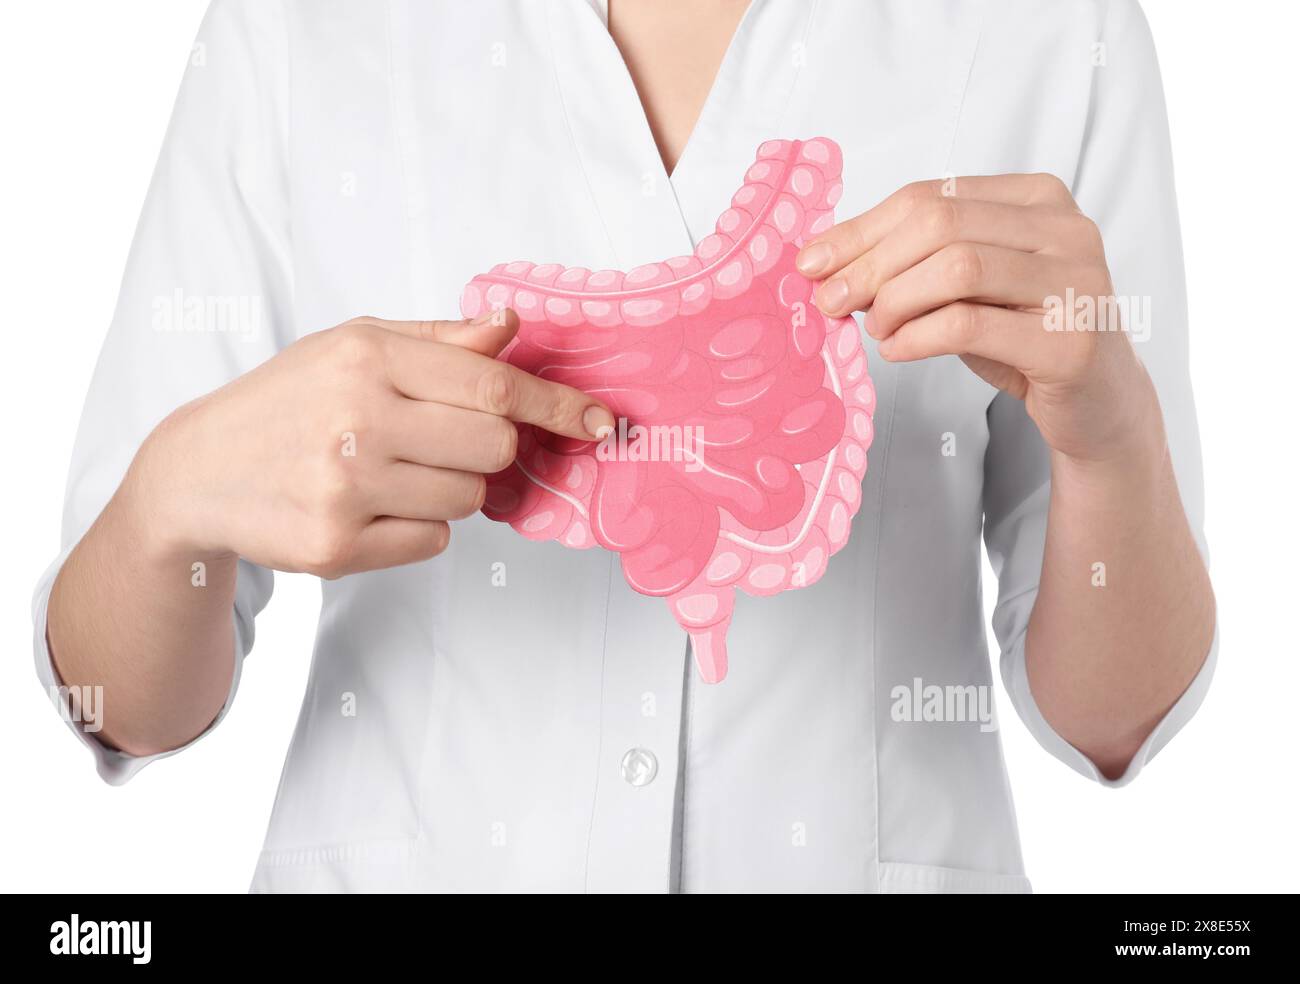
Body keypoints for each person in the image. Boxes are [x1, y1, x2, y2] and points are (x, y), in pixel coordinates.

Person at [34, 0, 1215, 892]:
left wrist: (1110, 438)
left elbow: (1109, 722)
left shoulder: (1049, 28)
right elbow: (124, 707)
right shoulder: (297, 28)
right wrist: (166, 508)